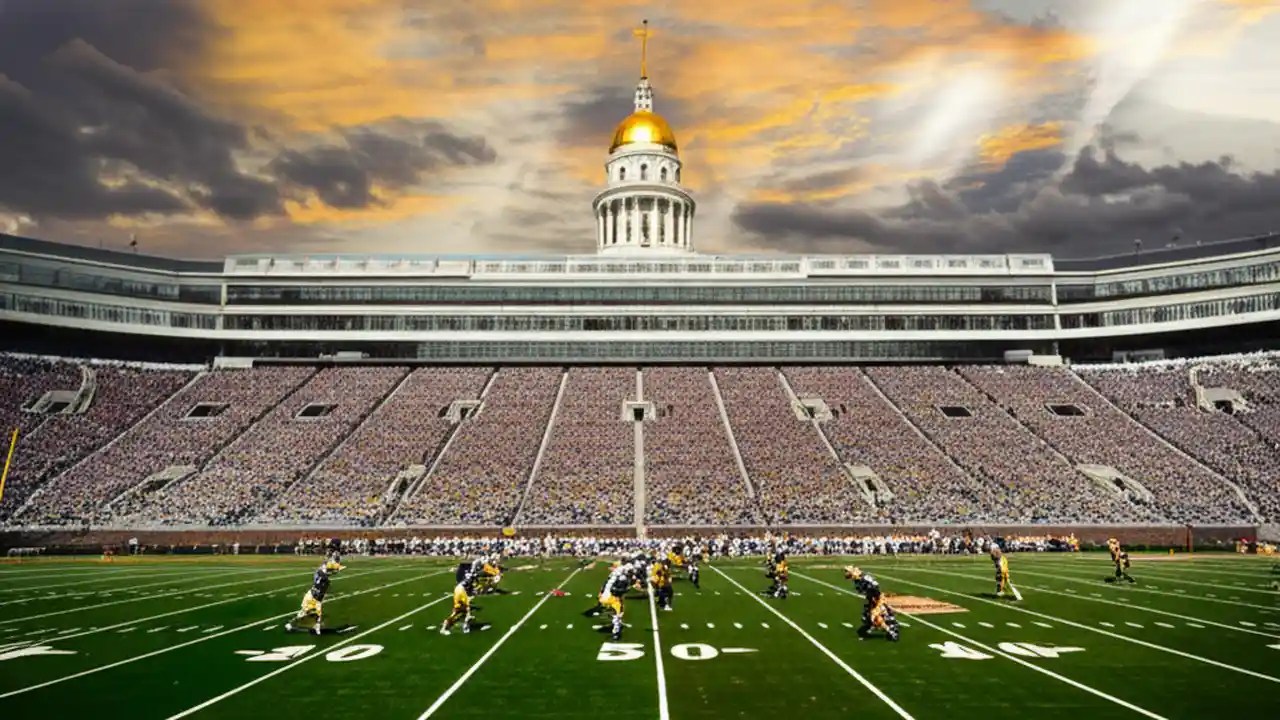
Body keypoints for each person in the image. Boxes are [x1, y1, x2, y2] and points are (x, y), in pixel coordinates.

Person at [286, 556, 345, 635]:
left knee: (316, 614)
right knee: (305, 613)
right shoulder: (323, 580)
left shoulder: (323, 578)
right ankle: (291, 624)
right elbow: (326, 574)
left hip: (316, 598)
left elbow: (328, 572)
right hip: (312, 597)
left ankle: (316, 627)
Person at [845, 566, 900, 641]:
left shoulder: (864, 580)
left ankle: (891, 631)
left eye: (848, 571)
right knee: (867, 617)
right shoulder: (858, 580)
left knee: (874, 616)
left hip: (877, 599)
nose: (846, 573)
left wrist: (876, 605)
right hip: (872, 599)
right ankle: (886, 623)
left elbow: (876, 591)